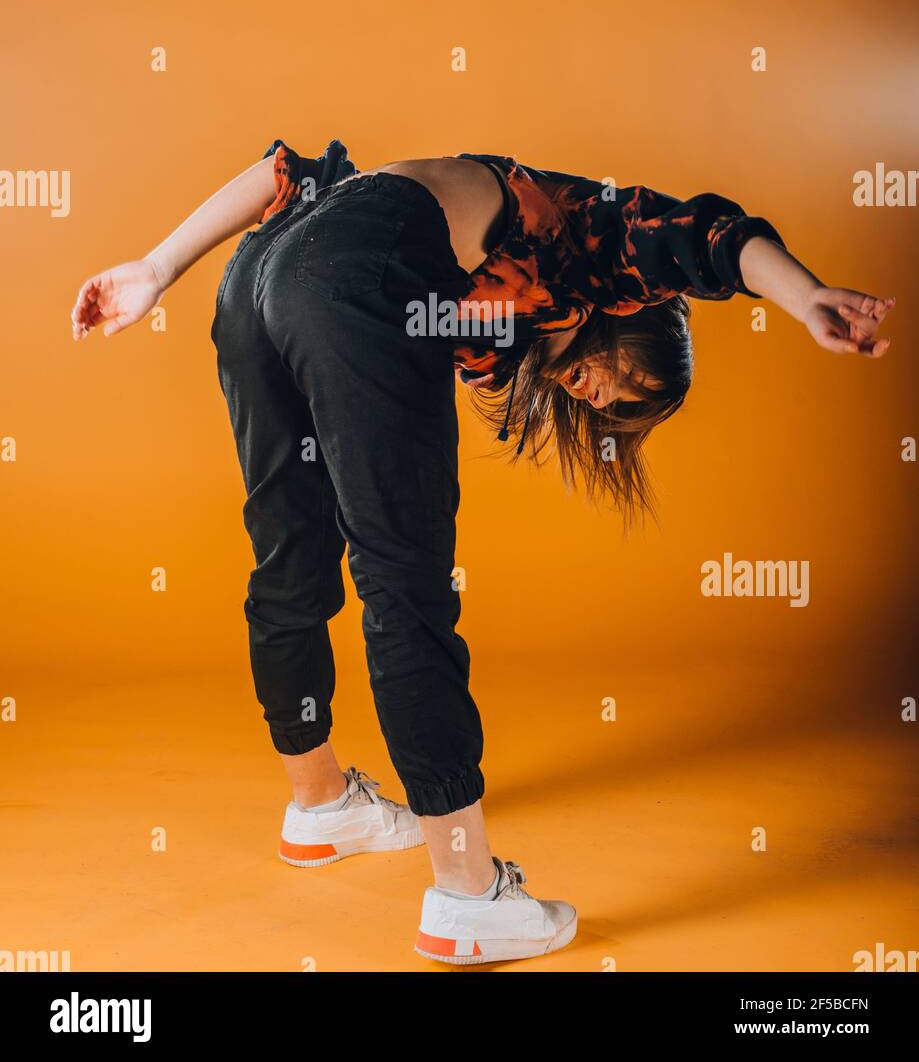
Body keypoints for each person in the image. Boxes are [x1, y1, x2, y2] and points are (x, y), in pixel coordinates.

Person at [70, 138, 893, 965]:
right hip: (344, 270)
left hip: (260, 277)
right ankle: (467, 897)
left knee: (290, 544)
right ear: (633, 316)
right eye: (623, 381)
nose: (598, 397)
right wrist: (808, 294)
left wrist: (158, 267)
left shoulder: (507, 329)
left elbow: (286, 176)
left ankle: (320, 807)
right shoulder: (597, 238)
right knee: (404, 581)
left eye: (614, 408)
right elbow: (717, 238)